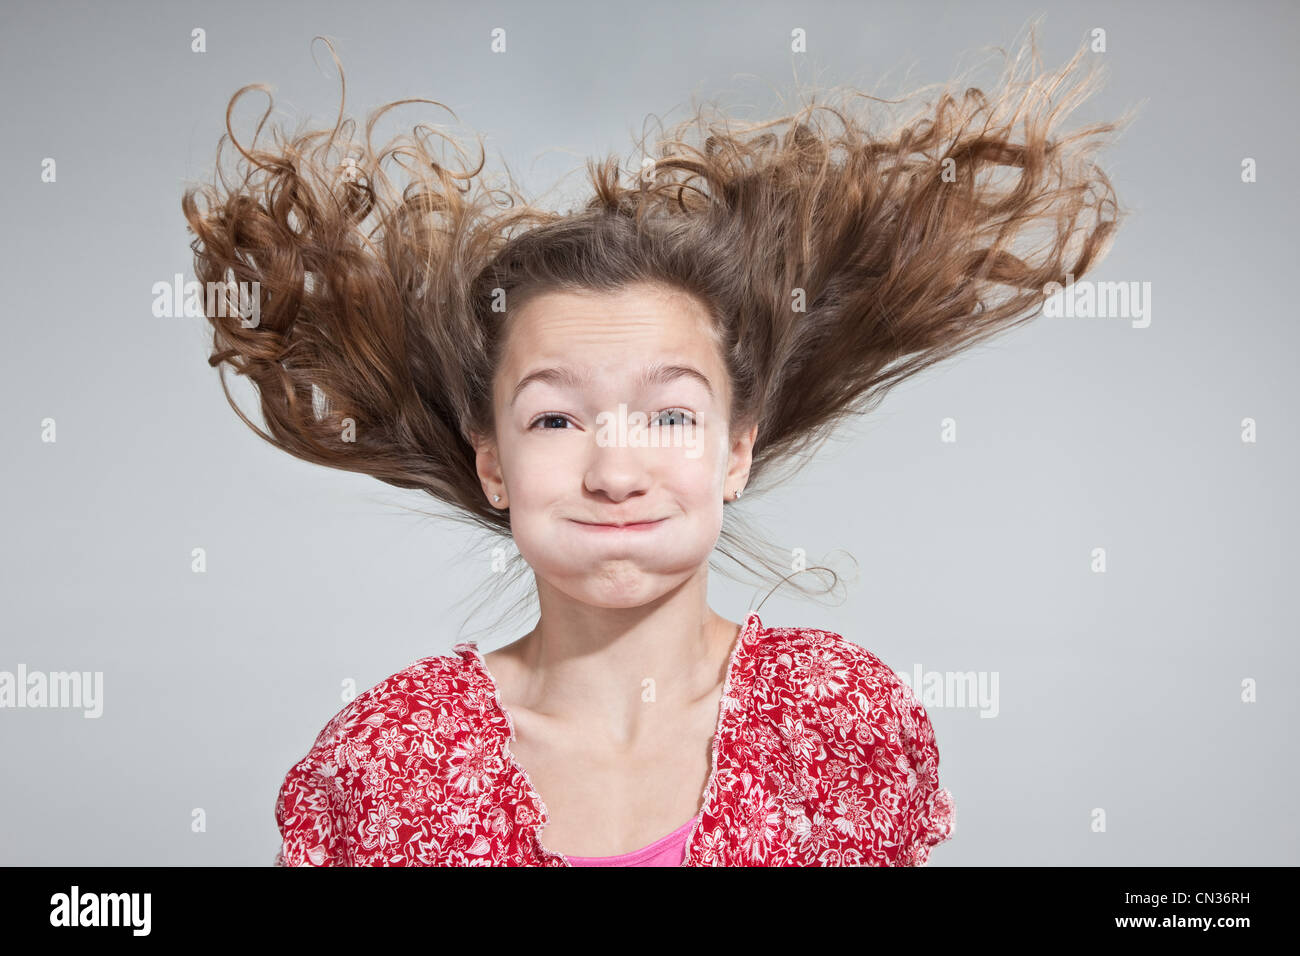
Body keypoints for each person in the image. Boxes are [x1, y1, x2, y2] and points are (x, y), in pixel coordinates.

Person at [181, 26, 1131, 865]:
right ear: (493, 462)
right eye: (555, 419)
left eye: (671, 416)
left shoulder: (841, 721)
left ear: (736, 450)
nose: (615, 472)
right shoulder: (388, 758)